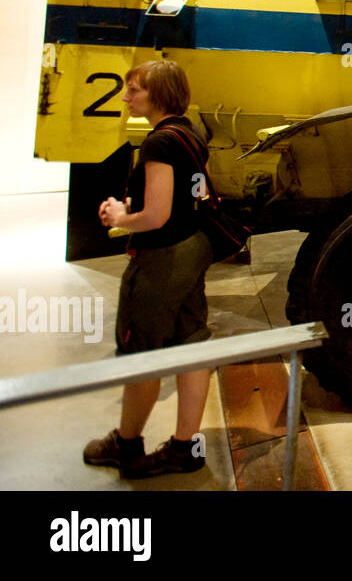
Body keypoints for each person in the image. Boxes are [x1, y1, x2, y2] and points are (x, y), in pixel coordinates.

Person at [83, 59, 214, 478]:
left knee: (140, 354)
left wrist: (120, 217)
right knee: (193, 346)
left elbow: (156, 216)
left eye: (134, 89)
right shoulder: (192, 132)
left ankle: (126, 444)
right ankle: (185, 448)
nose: (125, 96)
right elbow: (202, 193)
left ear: (157, 95)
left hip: (161, 259)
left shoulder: (158, 143)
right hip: (192, 250)